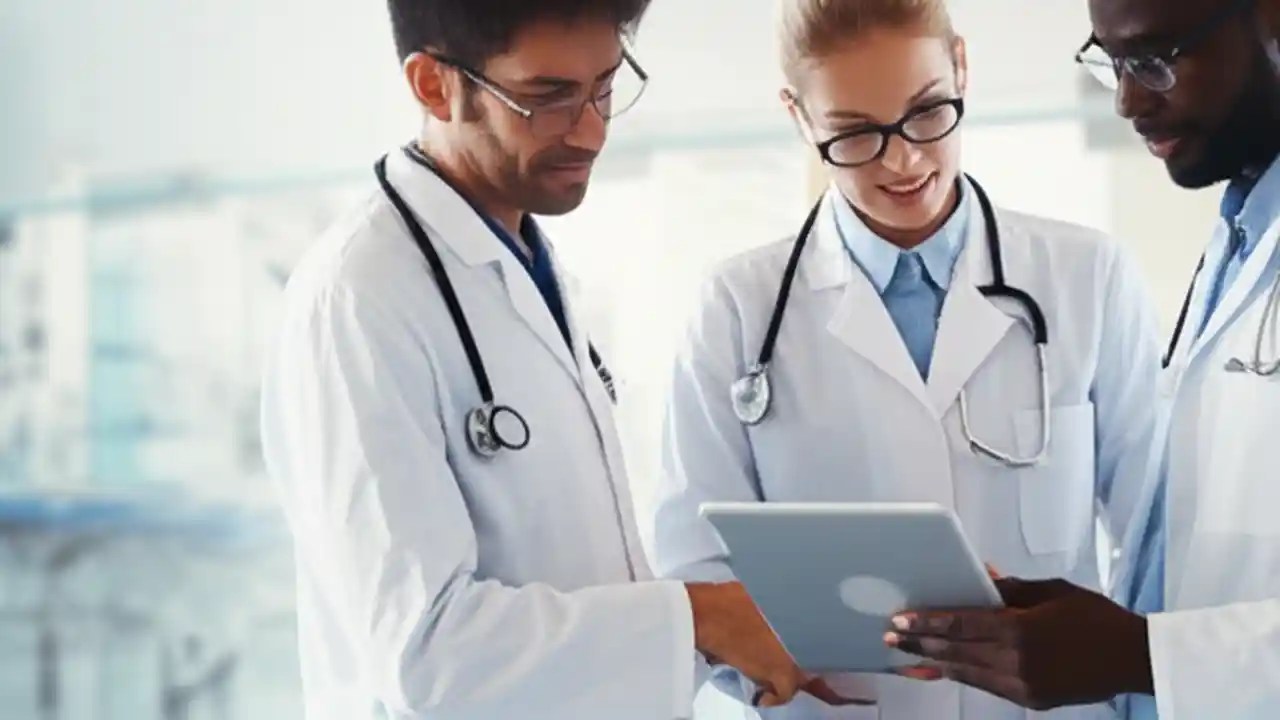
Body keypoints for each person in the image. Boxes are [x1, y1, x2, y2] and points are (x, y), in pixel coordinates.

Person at [258, 2, 807, 718]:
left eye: (605, 86)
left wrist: (730, 640)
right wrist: (697, 619)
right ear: (432, 85)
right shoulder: (359, 300)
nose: (592, 129)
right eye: (546, 99)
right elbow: (425, 655)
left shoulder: (521, 261)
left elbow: (582, 580)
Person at [643, 0, 1163, 717]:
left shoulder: (1088, 278)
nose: (904, 159)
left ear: (961, 68)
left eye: (926, 114)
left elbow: (1153, 544)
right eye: (855, 134)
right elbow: (693, 564)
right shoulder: (734, 310)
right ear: (798, 116)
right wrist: (770, 671)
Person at [885, 0, 1280, 717]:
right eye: (1111, 62)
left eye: (1156, 59)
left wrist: (1139, 655)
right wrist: (1107, 634)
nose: (1128, 100)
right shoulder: (1244, 227)